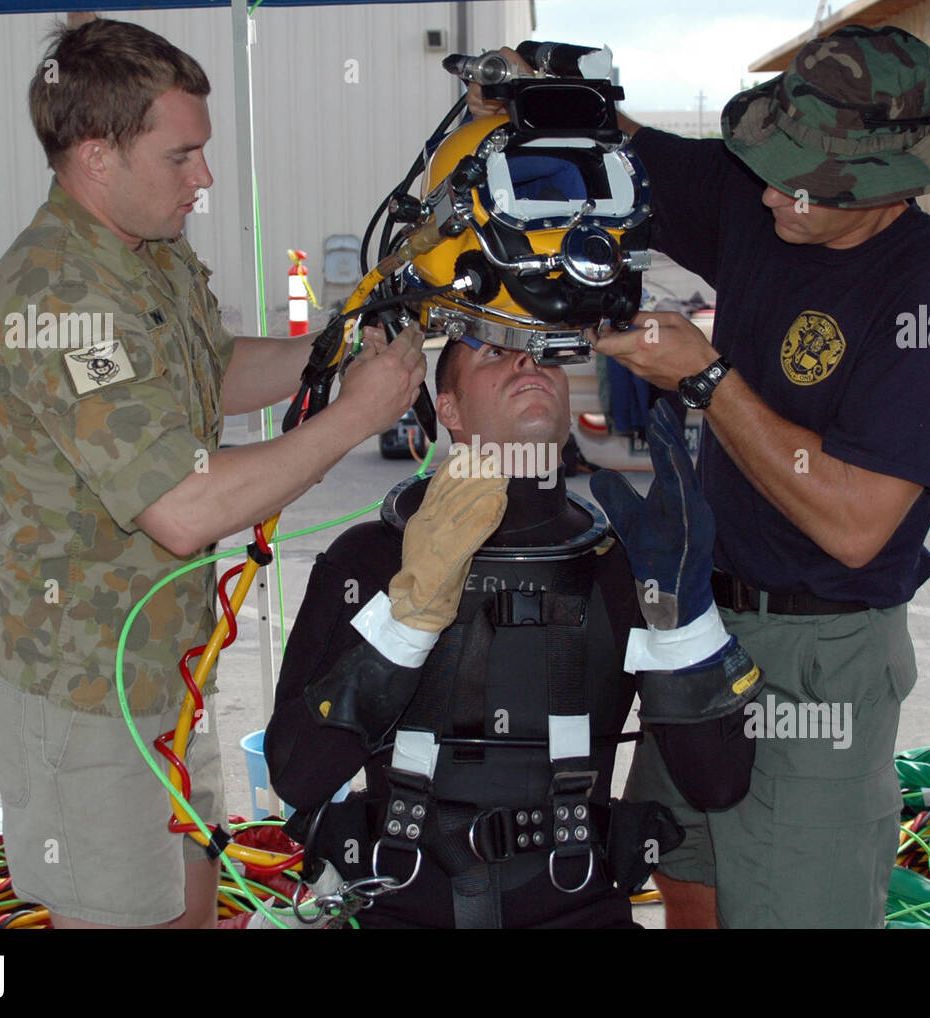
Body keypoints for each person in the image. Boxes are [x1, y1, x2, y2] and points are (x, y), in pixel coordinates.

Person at [473, 24, 930, 928]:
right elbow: (627, 145)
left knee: (795, 908)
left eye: (797, 180)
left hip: (819, 660)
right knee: (688, 878)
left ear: (884, 185)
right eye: (765, 163)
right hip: (699, 632)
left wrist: (706, 382)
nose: (766, 194)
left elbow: (856, 523)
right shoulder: (764, 195)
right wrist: (541, 92)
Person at [0, 18, 424, 930]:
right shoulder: (61, 297)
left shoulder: (150, 251)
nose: (204, 180)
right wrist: (356, 416)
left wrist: (332, 353)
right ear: (97, 156)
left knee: (188, 915)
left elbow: (209, 370)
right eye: (182, 156)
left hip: (165, 677)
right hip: (87, 695)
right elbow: (181, 510)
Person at [262, 336, 764, 929]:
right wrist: (409, 614)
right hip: (400, 905)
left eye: (542, 354)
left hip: (578, 905)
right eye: (494, 352)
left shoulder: (626, 562)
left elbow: (717, 783)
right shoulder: (369, 561)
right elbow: (298, 773)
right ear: (447, 409)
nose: (528, 361)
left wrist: (687, 619)